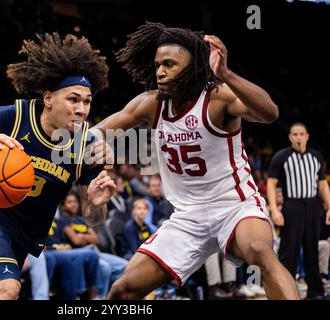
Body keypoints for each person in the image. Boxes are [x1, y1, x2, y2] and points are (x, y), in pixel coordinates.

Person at [93, 22, 299, 299]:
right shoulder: (150, 103)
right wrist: (94, 143)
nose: (160, 72)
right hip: (187, 216)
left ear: (192, 68)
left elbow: (269, 113)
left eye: (169, 64)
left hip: (234, 206)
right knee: (123, 290)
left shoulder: (218, 98)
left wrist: (225, 73)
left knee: (261, 250)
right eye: (157, 65)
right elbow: (98, 131)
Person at [0, 32, 116, 300]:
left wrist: (98, 204)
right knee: (5, 289)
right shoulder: (10, 117)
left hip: (24, 235)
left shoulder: (87, 147)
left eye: (87, 102)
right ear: (48, 98)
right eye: (73, 99)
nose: (82, 109)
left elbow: (92, 218)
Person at [267, 122, 330, 299]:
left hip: (312, 205)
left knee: (312, 249)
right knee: (289, 251)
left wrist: (329, 206)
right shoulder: (281, 157)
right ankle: (285, 291)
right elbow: (271, 184)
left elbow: (322, 184)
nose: (298, 137)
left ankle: (315, 291)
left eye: (301, 134)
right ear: (290, 137)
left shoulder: (316, 156)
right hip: (292, 206)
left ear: (307, 136)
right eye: (295, 134)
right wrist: (274, 209)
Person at [58, 192, 127, 299]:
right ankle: (100, 297)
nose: (73, 204)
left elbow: (96, 239)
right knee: (105, 268)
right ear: (63, 205)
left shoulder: (80, 219)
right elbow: (76, 241)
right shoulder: (62, 220)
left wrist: (82, 236)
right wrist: (85, 237)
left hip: (94, 250)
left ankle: (115, 295)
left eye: (75, 202)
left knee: (124, 265)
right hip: (81, 255)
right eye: (69, 202)